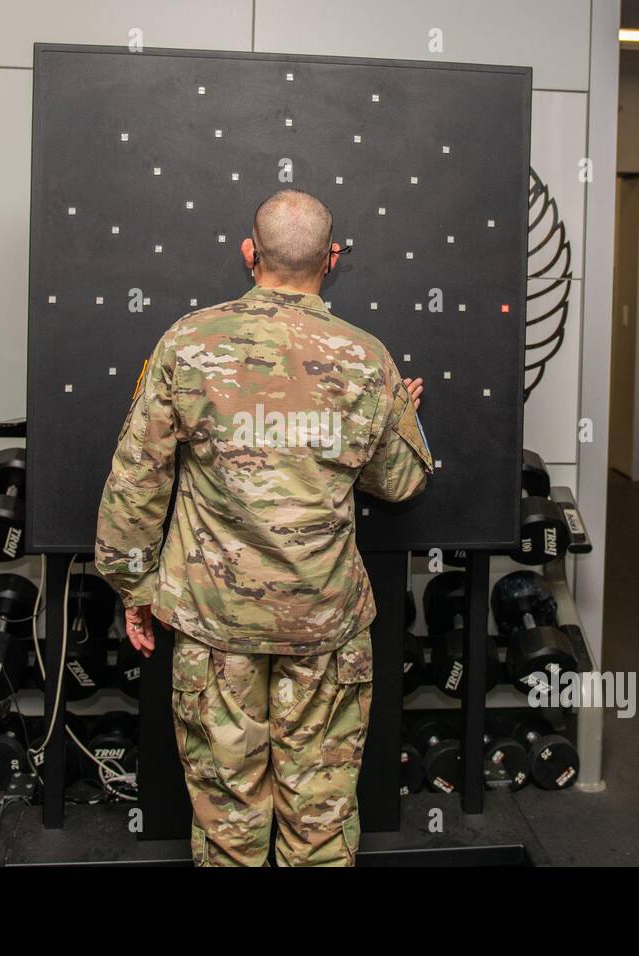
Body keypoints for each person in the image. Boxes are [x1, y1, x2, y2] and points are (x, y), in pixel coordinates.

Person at [95, 188, 432, 866]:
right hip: (325, 624)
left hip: (214, 627)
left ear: (249, 254)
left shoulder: (186, 343)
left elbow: (137, 481)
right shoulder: (367, 357)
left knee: (228, 820)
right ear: (331, 260)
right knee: (321, 820)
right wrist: (401, 414)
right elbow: (400, 482)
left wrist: (132, 591)